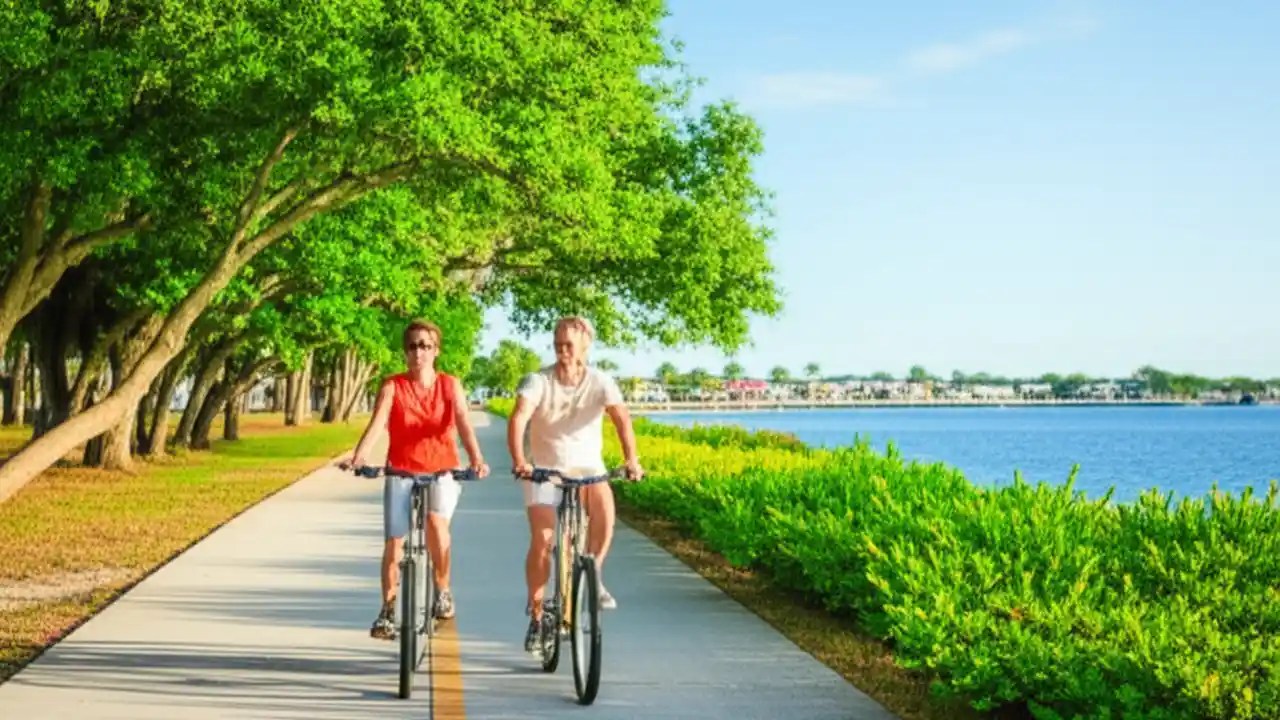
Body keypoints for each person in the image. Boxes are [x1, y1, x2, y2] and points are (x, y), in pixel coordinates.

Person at [506, 315, 642, 655]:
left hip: (588, 469)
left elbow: (622, 419)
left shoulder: (601, 381)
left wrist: (632, 460)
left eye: (569, 344)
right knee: (544, 540)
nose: (562, 350)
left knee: (605, 511)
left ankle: (593, 573)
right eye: (557, 344)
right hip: (545, 470)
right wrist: (521, 462)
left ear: (585, 345)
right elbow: (519, 417)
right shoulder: (537, 380)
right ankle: (537, 615)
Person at [346, 319, 489, 640]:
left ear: (436, 351)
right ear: (405, 351)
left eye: (425, 346)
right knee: (395, 542)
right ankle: (387, 609)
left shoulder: (450, 385)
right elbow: (378, 422)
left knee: (436, 523)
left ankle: (442, 590)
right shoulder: (392, 386)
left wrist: (477, 459)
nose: (418, 352)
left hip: (442, 471)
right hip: (401, 470)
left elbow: (464, 422)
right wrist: (360, 457)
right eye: (412, 346)